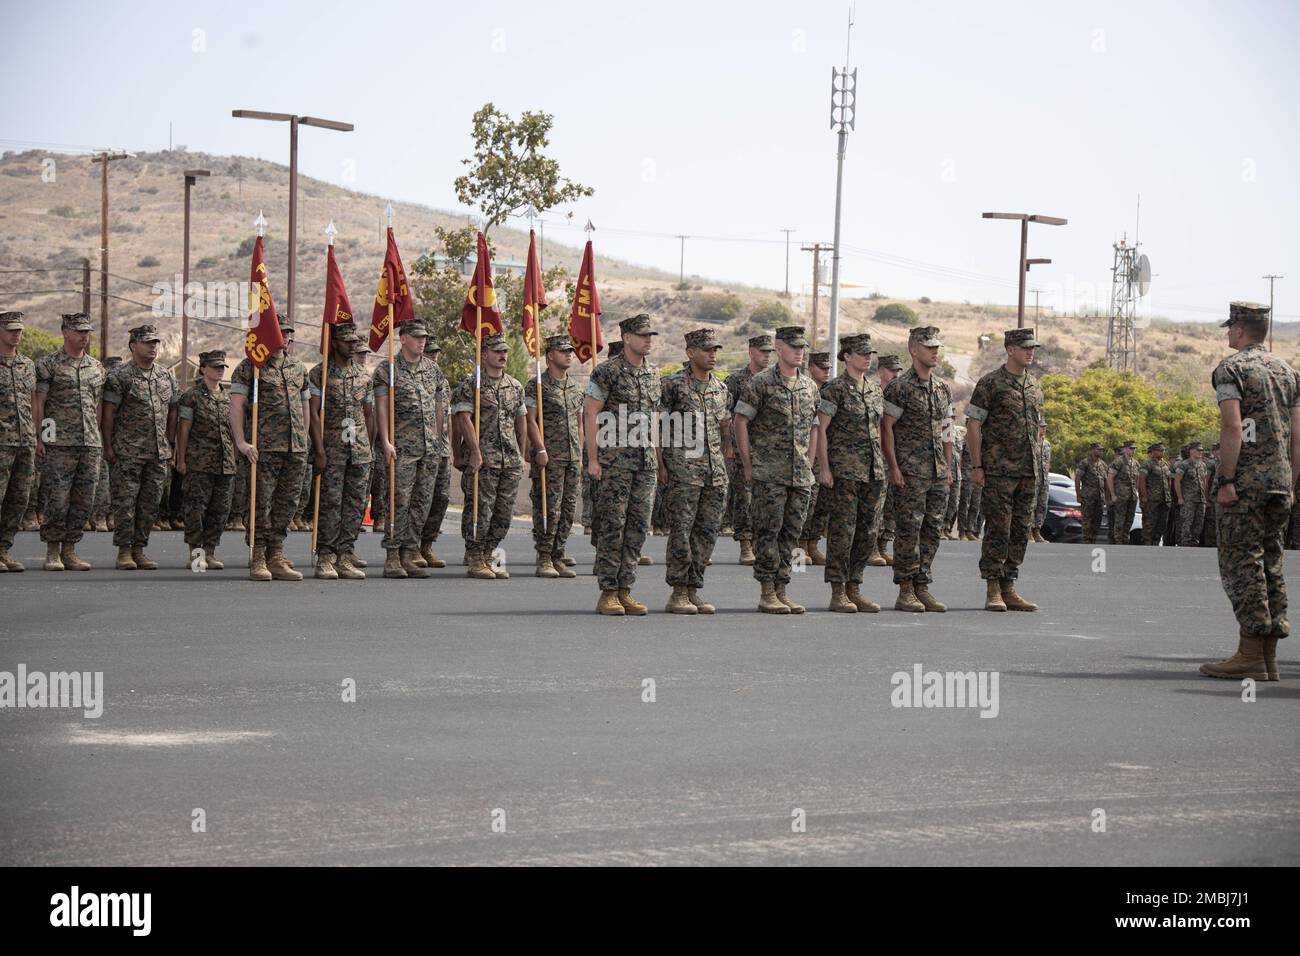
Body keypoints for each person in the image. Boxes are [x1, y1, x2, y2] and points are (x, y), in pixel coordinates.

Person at [1201, 301, 1300, 681]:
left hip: (1245, 486)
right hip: (1278, 483)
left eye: (1230, 328)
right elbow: (1297, 434)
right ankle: (1269, 655)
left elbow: (1232, 428)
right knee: (1271, 563)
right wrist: (1290, 483)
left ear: (1240, 331)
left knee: (1242, 564)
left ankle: (1249, 653)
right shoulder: (1287, 371)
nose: (1227, 333)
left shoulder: (1232, 369)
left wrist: (1226, 480)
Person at [734, 325, 820, 614]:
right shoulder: (761, 383)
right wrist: (748, 463)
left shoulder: (809, 386)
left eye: (802, 347)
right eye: (794, 346)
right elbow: (740, 422)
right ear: (779, 348)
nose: (799, 351)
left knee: (792, 534)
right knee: (767, 532)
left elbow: (815, 425)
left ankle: (783, 588)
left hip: (800, 475)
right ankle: (767, 591)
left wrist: (810, 458)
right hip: (769, 473)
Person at [965, 328, 1044, 612]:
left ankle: (1010, 584)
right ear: (1010, 349)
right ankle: (993, 588)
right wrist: (977, 465)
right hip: (999, 470)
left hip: (1027, 471)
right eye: (1025, 348)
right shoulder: (991, 384)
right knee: (998, 528)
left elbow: (1037, 428)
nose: (1030, 352)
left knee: (1021, 530)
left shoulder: (1034, 386)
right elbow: (973, 425)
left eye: (1032, 348)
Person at [586, 315, 661, 614]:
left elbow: (655, 421)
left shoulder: (653, 375)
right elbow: (590, 415)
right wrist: (593, 459)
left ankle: (625, 589)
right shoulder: (607, 372)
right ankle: (607, 592)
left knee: (638, 528)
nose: (648, 340)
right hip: (614, 463)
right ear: (627, 337)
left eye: (650, 335)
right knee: (612, 527)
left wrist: (659, 459)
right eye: (642, 335)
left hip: (645, 464)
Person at [230, 325, 311, 582]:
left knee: (287, 503)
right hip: (263, 447)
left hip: (294, 448)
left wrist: (304, 439)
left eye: (288, 333)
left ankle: (276, 555)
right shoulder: (250, 366)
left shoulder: (298, 368)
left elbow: (305, 406)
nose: (285, 337)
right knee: (260, 503)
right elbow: (236, 406)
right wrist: (241, 441)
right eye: (279, 332)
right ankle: (258, 556)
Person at [882, 326, 954, 612]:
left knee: (932, 528)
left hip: (937, 470)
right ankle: (905, 589)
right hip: (910, 471)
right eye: (928, 347)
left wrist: (948, 465)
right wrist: (894, 467)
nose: (935, 351)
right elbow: (886, 428)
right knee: (909, 529)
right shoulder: (900, 388)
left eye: (937, 346)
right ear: (914, 350)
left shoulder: (942, 388)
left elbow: (947, 429)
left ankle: (922, 585)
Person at [658, 328, 730, 613]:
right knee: (682, 532)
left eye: (715, 350)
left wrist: (725, 455)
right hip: (683, 471)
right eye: (707, 349)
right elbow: (656, 426)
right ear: (690, 353)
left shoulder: (720, 388)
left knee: (707, 532)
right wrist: (661, 464)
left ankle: (693, 588)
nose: (713, 354)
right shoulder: (673, 385)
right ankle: (677, 592)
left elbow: (724, 426)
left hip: (714, 472)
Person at [815, 333, 884, 613]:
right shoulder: (834, 389)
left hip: (873, 471)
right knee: (842, 531)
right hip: (844, 471)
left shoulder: (875, 389)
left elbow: (878, 430)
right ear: (847, 356)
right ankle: (837, 590)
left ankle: (855, 586)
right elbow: (821, 430)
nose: (868, 357)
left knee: (868, 532)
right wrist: (825, 468)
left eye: (869, 353)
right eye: (861, 353)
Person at [101, 324, 179, 570]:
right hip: (128, 451)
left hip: (157, 452)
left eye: (155, 342)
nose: (153, 347)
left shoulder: (166, 376)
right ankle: (124, 551)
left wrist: (170, 441)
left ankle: (139, 549)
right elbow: (108, 414)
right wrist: (109, 446)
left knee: (150, 504)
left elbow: (173, 410)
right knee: (126, 504)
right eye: (147, 342)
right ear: (133, 346)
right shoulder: (120, 377)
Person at [33, 312, 105, 571]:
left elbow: (96, 405)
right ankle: (52, 551)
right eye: (79, 331)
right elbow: (39, 402)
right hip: (58, 442)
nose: (84, 336)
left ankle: (70, 550)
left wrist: (95, 435)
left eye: (87, 332)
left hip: (89, 443)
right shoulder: (48, 364)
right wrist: (40, 437)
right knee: (57, 497)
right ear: (65, 332)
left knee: (84, 499)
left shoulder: (96, 367)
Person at [377, 321, 444, 579]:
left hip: (428, 447)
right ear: (402, 339)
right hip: (401, 447)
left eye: (424, 337)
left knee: (421, 502)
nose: (422, 341)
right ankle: (392, 555)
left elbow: (438, 405)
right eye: (416, 337)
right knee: (398, 501)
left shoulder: (432, 370)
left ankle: (409, 552)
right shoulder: (389, 369)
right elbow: (382, 407)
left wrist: (438, 439)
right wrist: (385, 440)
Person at [309, 324, 373, 580]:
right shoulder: (319, 374)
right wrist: (320, 449)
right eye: (346, 341)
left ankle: (345, 555)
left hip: (359, 452)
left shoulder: (364, 376)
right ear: (334, 343)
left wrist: (368, 444)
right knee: (330, 504)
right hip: (332, 450)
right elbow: (313, 413)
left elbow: (368, 414)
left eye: (354, 342)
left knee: (355, 505)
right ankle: (325, 557)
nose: (352, 346)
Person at [525, 334, 584, 579]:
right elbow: (530, 419)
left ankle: (558, 555)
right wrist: (539, 448)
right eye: (564, 351)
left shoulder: (574, 386)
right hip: (549, 457)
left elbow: (579, 421)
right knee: (548, 507)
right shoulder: (538, 385)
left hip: (572, 456)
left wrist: (580, 449)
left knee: (568, 508)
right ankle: (545, 556)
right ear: (550, 356)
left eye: (570, 351)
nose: (569, 354)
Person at [176, 349, 236, 569]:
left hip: (225, 462)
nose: (219, 371)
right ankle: (196, 553)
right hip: (199, 462)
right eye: (215, 367)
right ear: (203, 369)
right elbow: (184, 430)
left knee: (220, 510)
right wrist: (181, 460)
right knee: (196, 509)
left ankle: (210, 551)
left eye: (222, 367)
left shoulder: (227, 397)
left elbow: (234, 430)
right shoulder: (191, 397)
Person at [724, 333, 773, 565]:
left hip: (768, 451)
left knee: (766, 499)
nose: (766, 356)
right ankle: (745, 543)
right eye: (762, 351)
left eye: (769, 352)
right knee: (744, 497)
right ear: (751, 352)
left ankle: (760, 542)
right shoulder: (736, 380)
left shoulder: (775, 380)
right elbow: (725, 415)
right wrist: (728, 445)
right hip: (741, 448)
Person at [0, 311, 36, 572]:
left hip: (25, 442)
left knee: (19, 498)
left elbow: (33, 402)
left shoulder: (27, 365)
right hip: (1, 442)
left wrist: (36, 435)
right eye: (11, 329)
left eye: (20, 329)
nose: (17, 334)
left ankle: (4, 548)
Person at [416, 337, 451, 569]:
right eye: (430, 355)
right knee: (419, 499)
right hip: (418, 447)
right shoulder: (413, 380)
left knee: (440, 498)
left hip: (442, 448)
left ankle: (427, 544)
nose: (434, 359)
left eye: (436, 355)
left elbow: (450, 416)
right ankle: (410, 547)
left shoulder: (442, 382)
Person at [797, 350, 833, 565]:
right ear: (811, 369)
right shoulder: (805, 389)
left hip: (824, 456)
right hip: (805, 456)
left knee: (821, 505)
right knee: (803, 506)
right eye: (822, 367)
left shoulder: (829, 392)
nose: (826, 371)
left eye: (828, 367)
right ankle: (799, 549)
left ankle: (812, 543)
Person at [869, 354, 903, 563]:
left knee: (891, 505)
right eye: (892, 370)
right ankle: (871, 548)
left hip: (897, 458)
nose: (896, 374)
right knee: (875, 505)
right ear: (881, 371)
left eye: (898, 371)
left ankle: (883, 545)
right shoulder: (873, 394)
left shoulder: (901, 394)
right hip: (876, 457)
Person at [1174, 441, 1210, 547]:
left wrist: (1206, 498)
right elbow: (1177, 481)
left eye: (1201, 450)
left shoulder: (1203, 465)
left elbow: (1205, 482)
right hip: (1188, 499)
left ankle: (1194, 542)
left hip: (1201, 498)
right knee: (1187, 521)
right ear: (1191, 451)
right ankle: (1185, 542)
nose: (1200, 452)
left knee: (1199, 522)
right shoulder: (1184, 464)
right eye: (1198, 450)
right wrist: (1180, 497)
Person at [1138, 442, 1172, 545]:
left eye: (1163, 450)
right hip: (1151, 500)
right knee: (1149, 525)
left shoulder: (1165, 464)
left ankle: (1156, 545)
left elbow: (1168, 480)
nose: (1162, 452)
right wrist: (1144, 496)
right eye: (1160, 450)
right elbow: (1141, 481)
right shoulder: (1147, 464)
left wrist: (1169, 494)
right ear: (1153, 452)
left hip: (1164, 500)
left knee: (1161, 525)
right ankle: (1147, 545)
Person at [1106, 440, 1139, 545]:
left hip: (1132, 496)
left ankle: (1125, 540)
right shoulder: (1118, 462)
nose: (1133, 450)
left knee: (1129, 520)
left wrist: (1136, 491)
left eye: (1134, 448)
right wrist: (1113, 495)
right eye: (1131, 448)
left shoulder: (1135, 463)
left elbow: (1137, 478)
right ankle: (1118, 542)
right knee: (1119, 520)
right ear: (1125, 449)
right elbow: (1110, 478)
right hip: (1121, 496)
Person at [1074, 442, 1107, 544]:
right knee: (1087, 521)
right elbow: (1077, 479)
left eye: (1102, 450)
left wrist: (1106, 496)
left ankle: (1093, 540)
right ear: (1092, 450)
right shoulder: (1085, 463)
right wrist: (1078, 495)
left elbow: (1105, 482)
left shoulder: (1103, 464)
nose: (1101, 452)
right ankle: (1087, 541)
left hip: (1099, 498)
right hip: (1088, 497)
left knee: (1097, 520)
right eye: (1098, 449)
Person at [1030, 423, 1052, 542]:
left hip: (1044, 480)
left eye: (1044, 427)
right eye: (1041, 427)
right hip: (1034, 479)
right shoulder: (1032, 443)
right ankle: (1028, 532)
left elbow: (1048, 462)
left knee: (1042, 506)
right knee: (1031, 506)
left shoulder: (1047, 444)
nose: (1043, 429)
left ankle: (1037, 531)